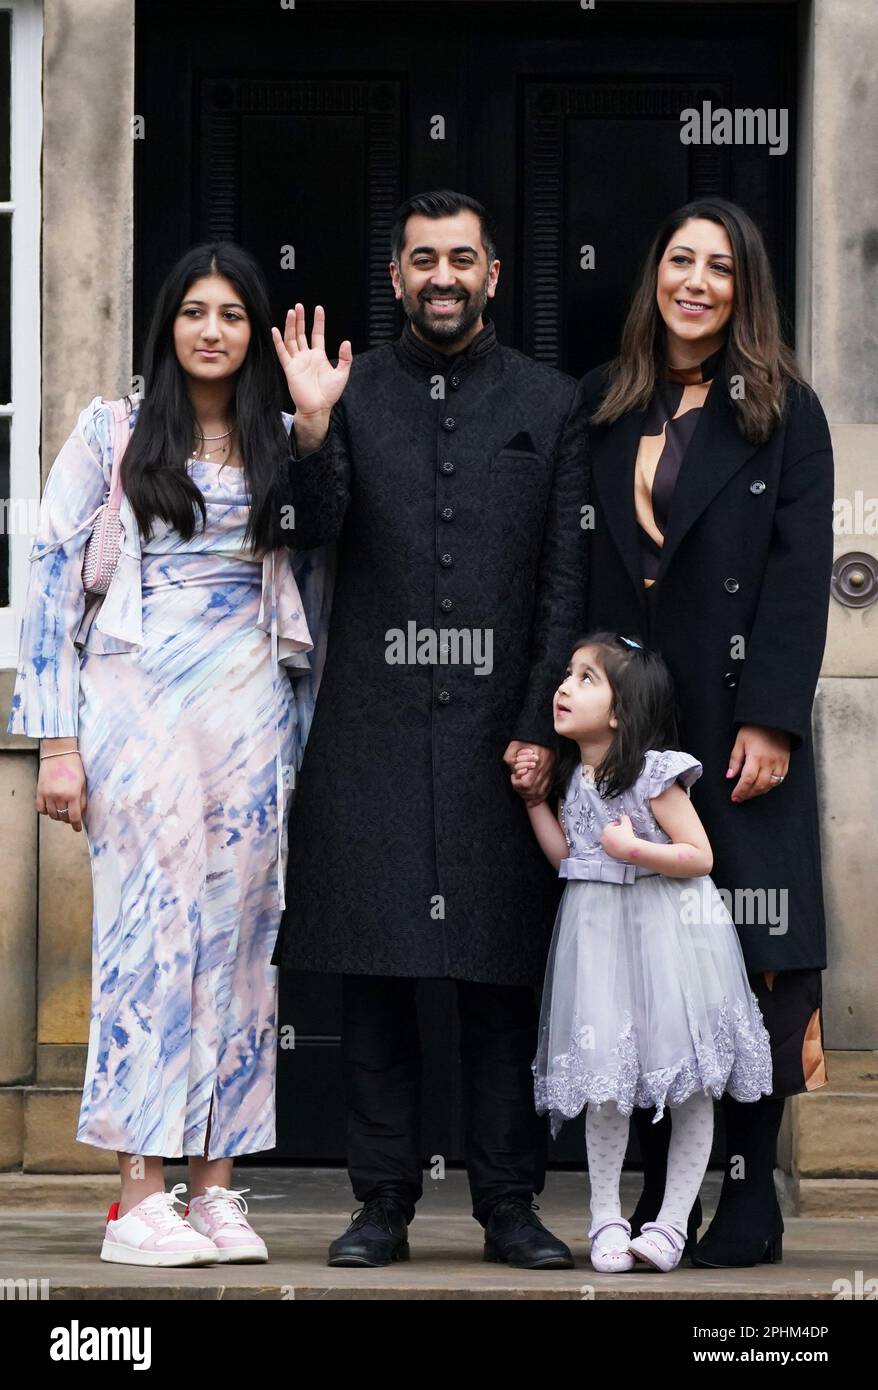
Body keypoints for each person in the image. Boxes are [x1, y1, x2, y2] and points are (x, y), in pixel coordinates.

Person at [270, 190, 588, 1268]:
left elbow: (562, 577)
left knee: (500, 982)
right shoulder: (348, 398)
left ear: (493, 273)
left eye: (460, 258)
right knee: (376, 985)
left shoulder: (549, 403)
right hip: (370, 730)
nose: (440, 276)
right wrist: (311, 426)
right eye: (421, 260)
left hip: (501, 741)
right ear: (396, 277)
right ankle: (381, 1206)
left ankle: (508, 1203)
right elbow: (300, 533)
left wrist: (539, 716)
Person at [7, 242, 319, 1267]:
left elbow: (329, 555)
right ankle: (136, 1193)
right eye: (194, 311)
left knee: (240, 942)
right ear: (167, 325)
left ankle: (216, 1188)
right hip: (135, 700)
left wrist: (317, 430)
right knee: (148, 937)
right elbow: (52, 586)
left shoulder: (281, 437)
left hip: (253, 706)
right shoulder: (111, 432)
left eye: (232, 313)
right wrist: (56, 739)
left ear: (253, 330)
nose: (212, 330)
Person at [581, 197, 834, 1265]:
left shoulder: (783, 409)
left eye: (717, 267)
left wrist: (773, 715)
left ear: (743, 289)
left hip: (738, 725)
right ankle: (654, 1189)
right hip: (636, 726)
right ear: (653, 276)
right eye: (677, 259)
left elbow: (795, 573)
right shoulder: (602, 401)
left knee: (750, 952)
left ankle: (743, 1188)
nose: (693, 281)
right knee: (646, 954)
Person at [515, 633, 773, 1272]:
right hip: (599, 937)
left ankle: (668, 1225)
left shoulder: (655, 774)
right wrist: (534, 806)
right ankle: (605, 1215)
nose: (565, 687)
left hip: (669, 935)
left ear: (622, 712)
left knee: (687, 1083)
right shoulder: (576, 778)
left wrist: (638, 852)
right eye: (568, 674)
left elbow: (699, 855)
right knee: (605, 1081)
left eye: (586, 678)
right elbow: (567, 860)